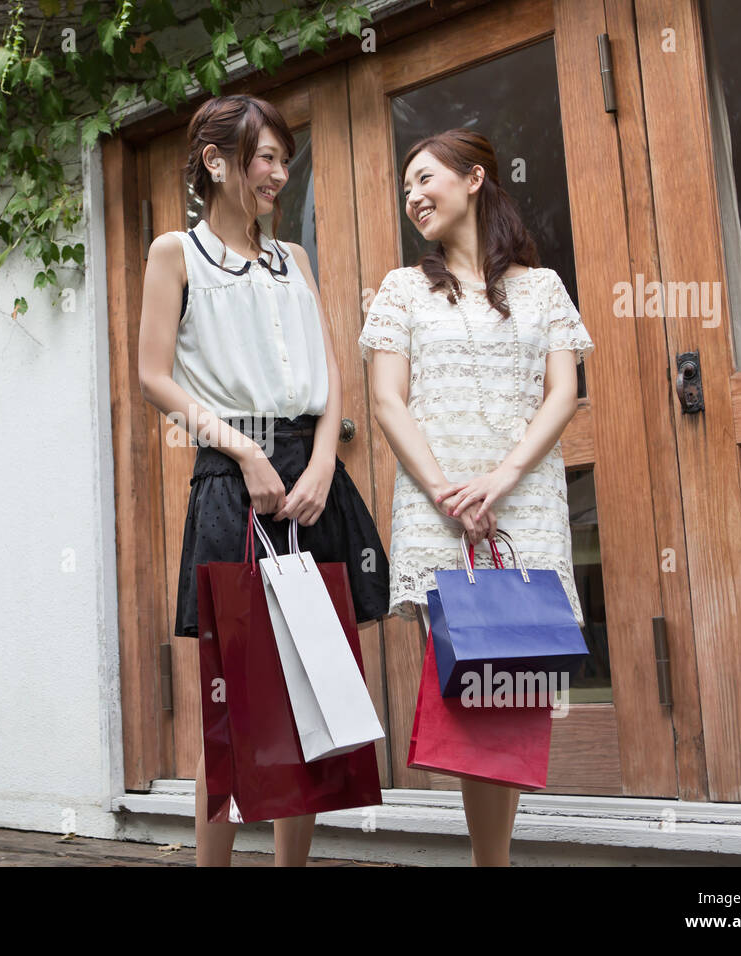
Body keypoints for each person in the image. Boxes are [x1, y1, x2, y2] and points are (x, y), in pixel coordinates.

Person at [138, 93, 391, 866]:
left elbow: (328, 375)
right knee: (234, 700)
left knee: (313, 693)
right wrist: (244, 455)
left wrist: (322, 463)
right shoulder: (173, 254)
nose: (281, 172)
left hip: (313, 486)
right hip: (232, 482)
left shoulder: (295, 261)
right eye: (266, 158)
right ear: (216, 163)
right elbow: (154, 376)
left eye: (286, 158)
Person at [357, 127, 595, 866]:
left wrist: (501, 478)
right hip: (442, 517)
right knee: (474, 695)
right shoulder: (401, 290)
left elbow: (564, 394)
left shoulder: (543, 288)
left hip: (519, 511)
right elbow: (388, 402)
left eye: (425, 178)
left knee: (511, 695)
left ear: (475, 180)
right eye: (405, 189)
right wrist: (447, 492)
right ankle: (490, 860)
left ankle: (492, 859)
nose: (413, 196)